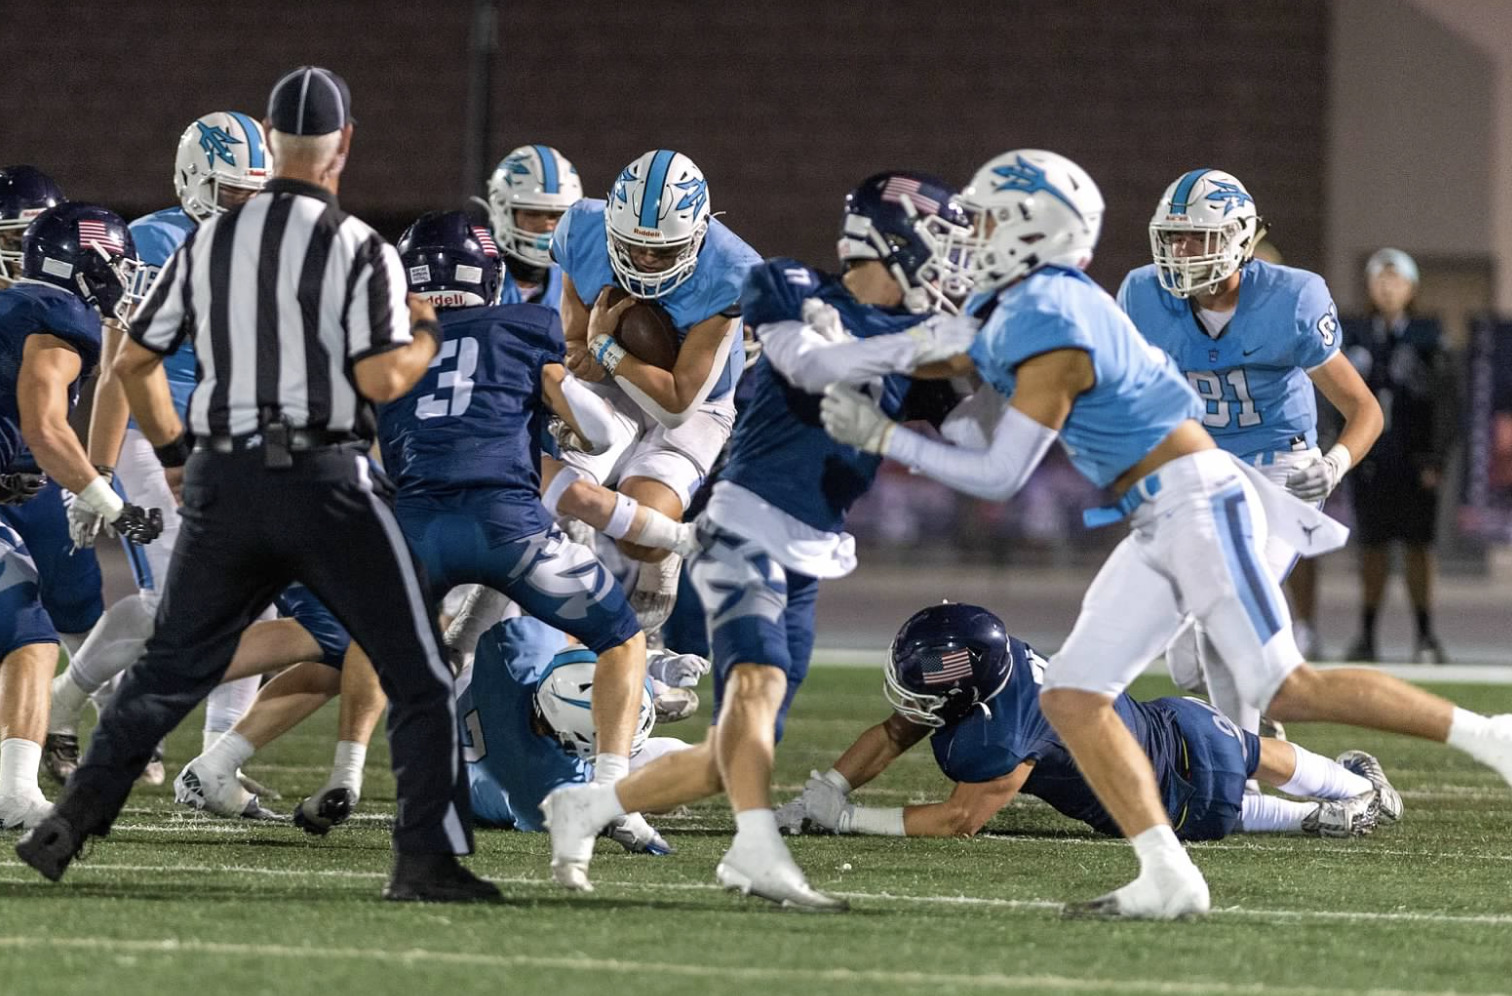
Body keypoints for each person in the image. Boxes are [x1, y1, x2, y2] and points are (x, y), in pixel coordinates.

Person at [813, 148, 1512, 919]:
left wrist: (884, 435)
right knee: (1074, 698)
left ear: (1032, 232)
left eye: (985, 222)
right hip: (1160, 511)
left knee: (1281, 685)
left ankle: (1488, 735)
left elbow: (999, 470)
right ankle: (1167, 874)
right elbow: (940, 350)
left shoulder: (1053, 313)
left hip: (1203, 500)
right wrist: (832, 344)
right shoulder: (1042, 300)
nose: (970, 238)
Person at [15, 66, 494, 903]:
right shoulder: (357, 246)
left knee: (169, 666)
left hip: (225, 474)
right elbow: (382, 381)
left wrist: (174, 456)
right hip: (325, 477)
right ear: (343, 146)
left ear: (272, 143)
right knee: (419, 665)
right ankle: (426, 862)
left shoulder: (203, 246)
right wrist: (422, 336)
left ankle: (64, 830)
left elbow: (134, 362)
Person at [540, 171, 974, 910]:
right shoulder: (786, 286)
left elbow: (985, 456)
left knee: (736, 750)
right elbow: (812, 364)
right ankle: (757, 854)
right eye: (941, 250)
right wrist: (928, 346)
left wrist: (1019, 368)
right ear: (892, 243)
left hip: (811, 548)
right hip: (747, 528)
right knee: (752, 695)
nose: (952, 271)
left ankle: (587, 808)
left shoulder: (918, 341)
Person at [378, 209, 659, 842]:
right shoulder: (519, 326)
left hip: (417, 532)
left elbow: (380, 453)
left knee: (393, 654)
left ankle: (379, 783)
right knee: (621, 638)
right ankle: (612, 795)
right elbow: (599, 431)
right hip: (509, 529)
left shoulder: (387, 348)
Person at [51, 112, 274, 789]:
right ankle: (63, 703)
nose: (245, 207)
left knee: (256, 602)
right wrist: (98, 470)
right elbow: (120, 366)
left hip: (229, 436)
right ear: (195, 180)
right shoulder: (151, 243)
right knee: (175, 598)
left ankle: (214, 764)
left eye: (255, 193)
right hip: (153, 434)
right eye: (232, 191)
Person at [1118, 169, 1382, 733]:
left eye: (1196, 237)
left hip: (1279, 471)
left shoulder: (1291, 298)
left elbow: (1364, 409)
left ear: (1238, 238)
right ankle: (1264, 734)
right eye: (1173, 237)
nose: (1180, 251)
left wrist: (1334, 463)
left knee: (1224, 621)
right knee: (1187, 662)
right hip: (1201, 472)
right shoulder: (1143, 294)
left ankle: (1244, 766)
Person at [777, 603, 1397, 842]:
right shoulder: (1000, 663)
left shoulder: (1005, 733)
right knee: (1251, 753)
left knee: (1223, 802)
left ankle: (1339, 804)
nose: (912, 696)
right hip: (1166, 722)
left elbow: (959, 819)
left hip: (1163, 786)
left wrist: (849, 819)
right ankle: (1347, 790)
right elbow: (896, 730)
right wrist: (828, 789)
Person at [547, 149, 760, 630]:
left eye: (661, 252)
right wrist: (585, 354)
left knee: (640, 536)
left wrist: (605, 347)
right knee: (551, 497)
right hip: (612, 386)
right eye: (632, 246)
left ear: (698, 236)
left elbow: (678, 404)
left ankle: (663, 557)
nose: (644, 259)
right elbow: (575, 341)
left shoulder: (731, 267)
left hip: (698, 403)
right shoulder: (581, 229)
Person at [0, 203, 162, 829]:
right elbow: (45, 427)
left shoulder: (19, 305)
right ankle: (14, 794)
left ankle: (16, 789)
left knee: (27, 630)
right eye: (118, 264)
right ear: (85, 265)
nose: (126, 277)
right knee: (29, 637)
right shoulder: (56, 315)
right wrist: (109, 503)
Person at [0, 166, 112, 664]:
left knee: (78, 598)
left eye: (35, 237)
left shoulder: (61, 306)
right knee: (22, 625)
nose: (27, 250)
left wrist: (97, 475)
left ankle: (84, 705)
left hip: (36, 473)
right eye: (15, 238)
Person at [459, 614, 693, 842]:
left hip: (458, 712)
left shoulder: (521, 650)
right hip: (472, 774)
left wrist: (647, 662)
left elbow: (571, 642)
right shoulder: (545, 787)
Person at [1342, 249, 1455, 663]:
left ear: (1412, 288)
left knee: (1418, 548)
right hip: (1371, 461)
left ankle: (1425, 635)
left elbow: (1446, 402)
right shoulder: (1355, 336)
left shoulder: (1428, 336)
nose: (1388, 288)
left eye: (1396, 279)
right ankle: (1367, 635)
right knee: (1372, 549)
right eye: (1381, 279)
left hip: (1414, 461)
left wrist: (1435, 457)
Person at [485, 144, 581, 310]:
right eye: (534, 214)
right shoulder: (471, 268)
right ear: (502, 211)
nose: (548, 226)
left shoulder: (575, 278)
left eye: (558, 215)